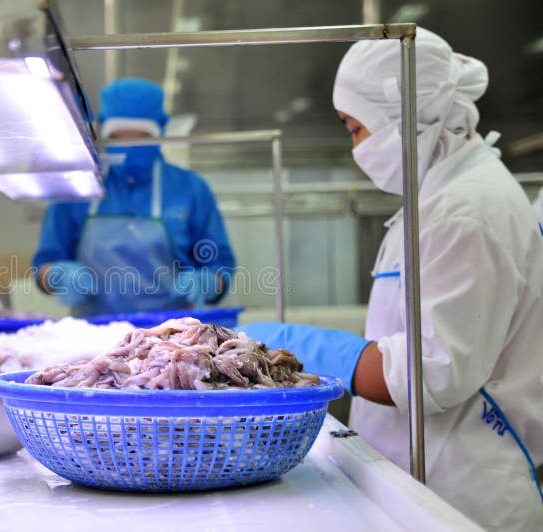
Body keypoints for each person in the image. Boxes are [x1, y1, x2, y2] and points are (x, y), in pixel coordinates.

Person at [239, 28, 543, 531]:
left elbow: (431, 371)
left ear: (402, 116)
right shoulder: (439, 197)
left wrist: (307, 350)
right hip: (424, 476)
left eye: (355, 128)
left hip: (464, 494)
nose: (355, 146)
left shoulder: (467, 209)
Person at [32, 78, 236, 317]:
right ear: (104, 134)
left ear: (160, 134)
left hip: (172, 333)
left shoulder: (190, 189)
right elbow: (43, 267)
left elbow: (221, 266)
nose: (129, 147)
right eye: (118, 138)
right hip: (93, 333)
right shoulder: (79, 186)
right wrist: (57, 275)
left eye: (142, 138)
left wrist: (208, 281)